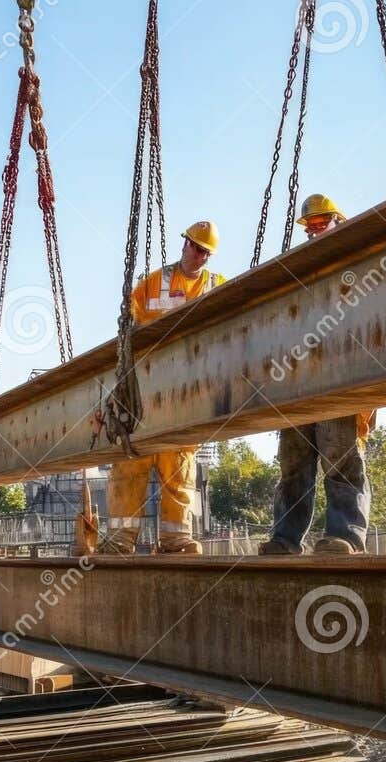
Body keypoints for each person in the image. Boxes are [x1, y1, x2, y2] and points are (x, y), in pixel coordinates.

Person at [258, 195, 375, 556]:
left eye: (320, 225)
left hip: (342, 377)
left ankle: (346, 536)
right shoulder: (303, 268)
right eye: (309, 228)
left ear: (339, 221)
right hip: (300, 380)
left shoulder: (359, 261)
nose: (312, 233)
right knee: (293, 463)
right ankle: (286, 538)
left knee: (340, 457)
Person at [101, 221, 226, 556]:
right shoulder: (154, 283)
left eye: (205, 252)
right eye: (194, 247)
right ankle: (119, 541)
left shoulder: (216, 285)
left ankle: (175, 540)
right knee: (131, 464)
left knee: (179, 468)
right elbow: (127, 322)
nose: (198, 255)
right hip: (145, 390)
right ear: (184, 244)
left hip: (187, 395)